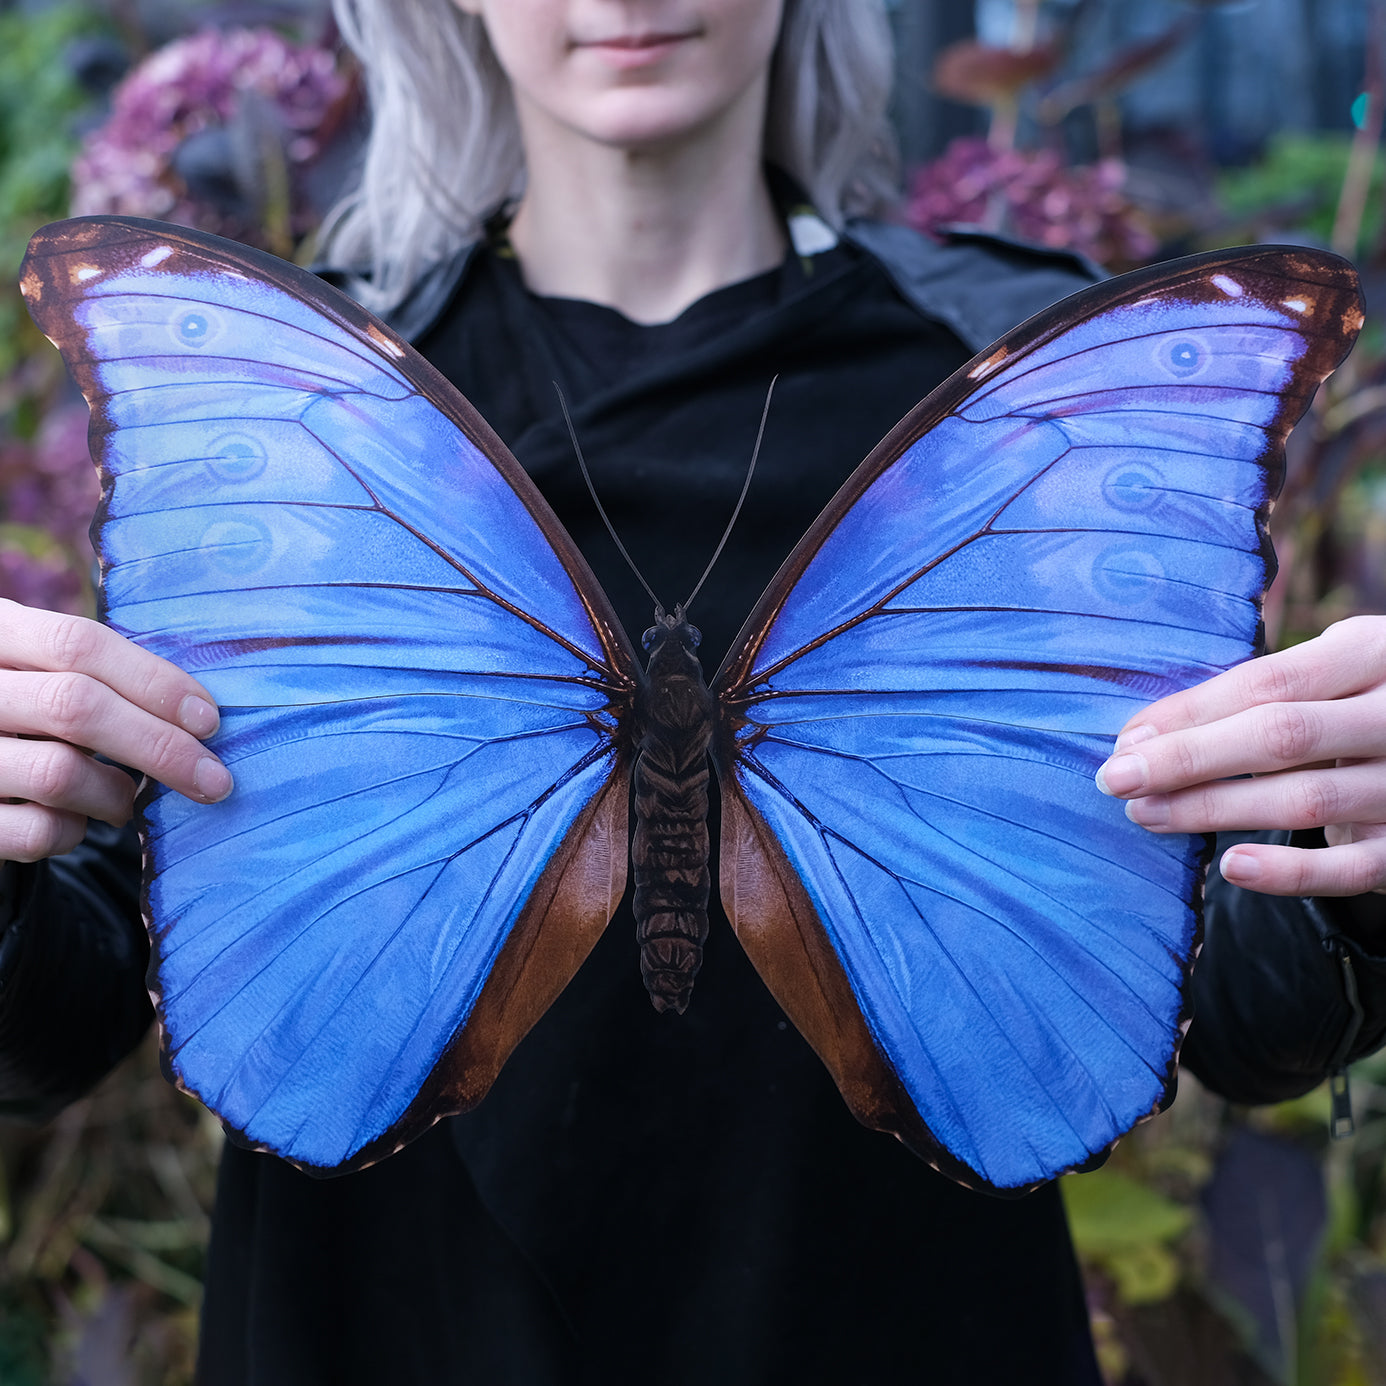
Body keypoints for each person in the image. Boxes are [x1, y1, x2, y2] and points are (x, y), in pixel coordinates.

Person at [2, 2, 1384, 1381]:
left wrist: (1352, 862)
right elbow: (63, 1006)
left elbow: (1222, 996)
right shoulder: (321, 412)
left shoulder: (1014, 392)